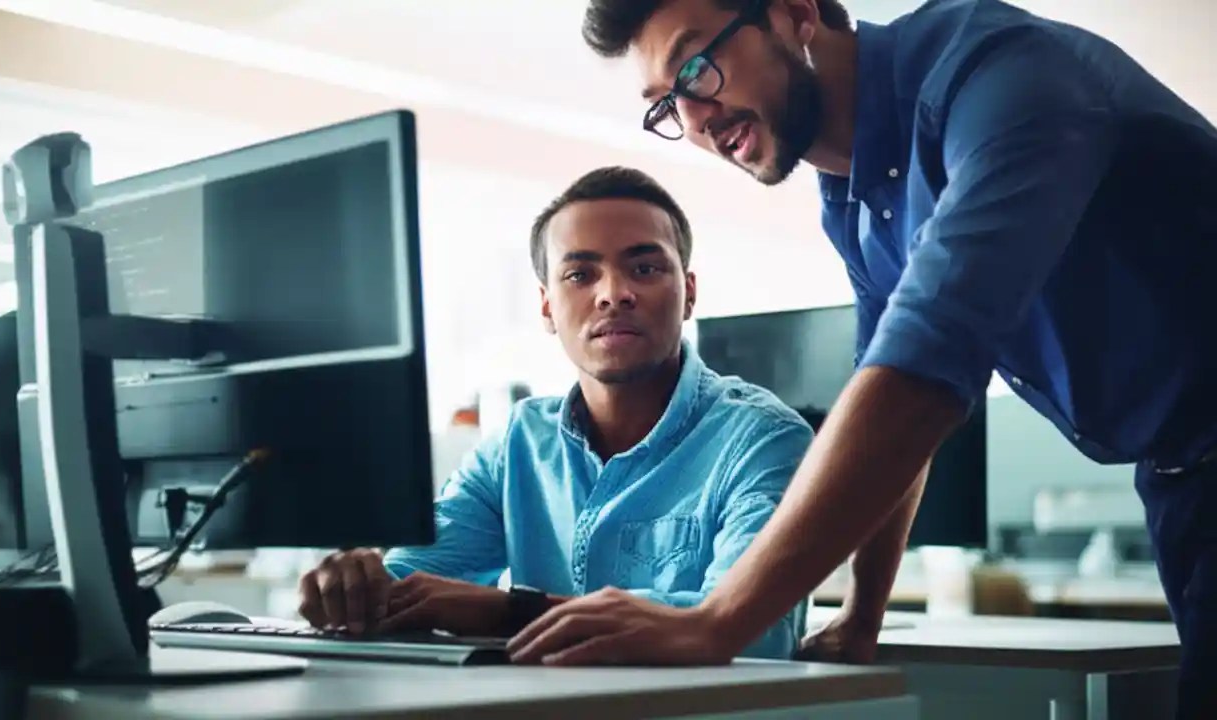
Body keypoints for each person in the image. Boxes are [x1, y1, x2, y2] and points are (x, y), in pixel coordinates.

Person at [509, 0, 1216, 714]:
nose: (693, 117)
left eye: (694, 68)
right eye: (666, 102)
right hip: (1178, 476)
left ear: (794, 14)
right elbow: (890, 401)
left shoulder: (1002, 78)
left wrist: (719, 619)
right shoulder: (852, 201)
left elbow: (923, 371)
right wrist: (864, 611)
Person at [298, 166, 814, 659]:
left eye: (644, 268)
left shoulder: (764, 438)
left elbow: (756, 632)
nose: (613, 294)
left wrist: (512, 613)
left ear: (689, 293)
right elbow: (405, 586)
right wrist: (353, 588)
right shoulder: (519, 442)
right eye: (580, 274)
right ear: (547, 307)